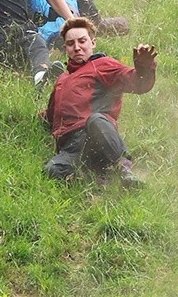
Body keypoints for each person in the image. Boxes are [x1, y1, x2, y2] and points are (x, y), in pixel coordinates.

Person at [42, 18, 155, 184]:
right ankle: (98, 181)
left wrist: (144, 68)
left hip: (96, 136)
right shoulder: (62, 79)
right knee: (52, 170)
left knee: (95, 119)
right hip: (71, 147)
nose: (77, 47)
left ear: (93, 42)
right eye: (71, 43)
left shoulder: (103, 64)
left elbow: (139, 84)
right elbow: (51, 116)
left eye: (82, 41)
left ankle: (124, 168)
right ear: (66, 48)